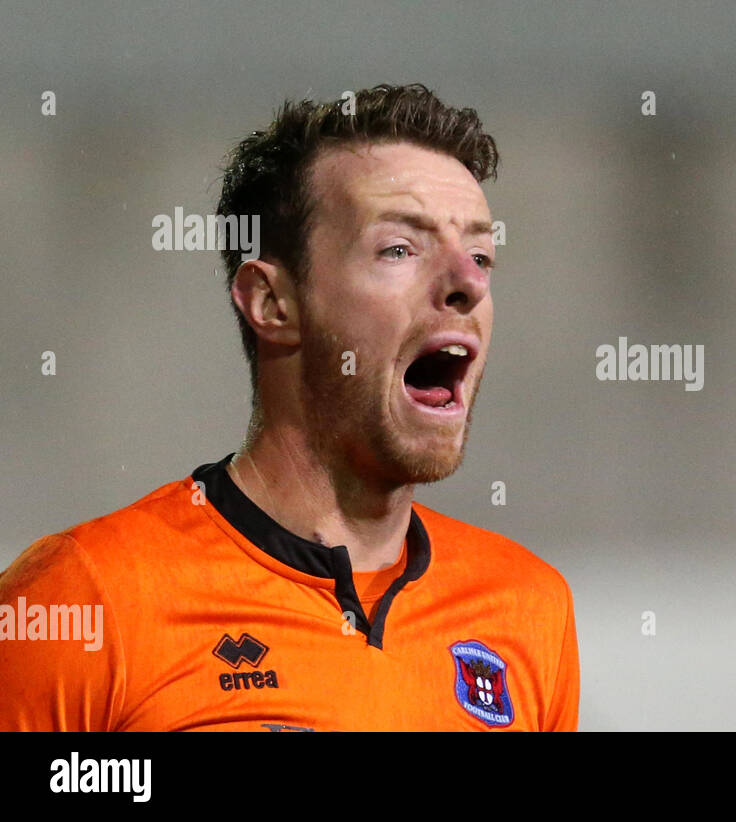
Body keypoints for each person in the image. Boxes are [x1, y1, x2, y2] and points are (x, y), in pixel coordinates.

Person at [0, 84, 579, 731]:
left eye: (480, 255)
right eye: (399, 249)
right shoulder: (86, 601)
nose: (469, 283)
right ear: (272, 303)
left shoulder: (529, 610)